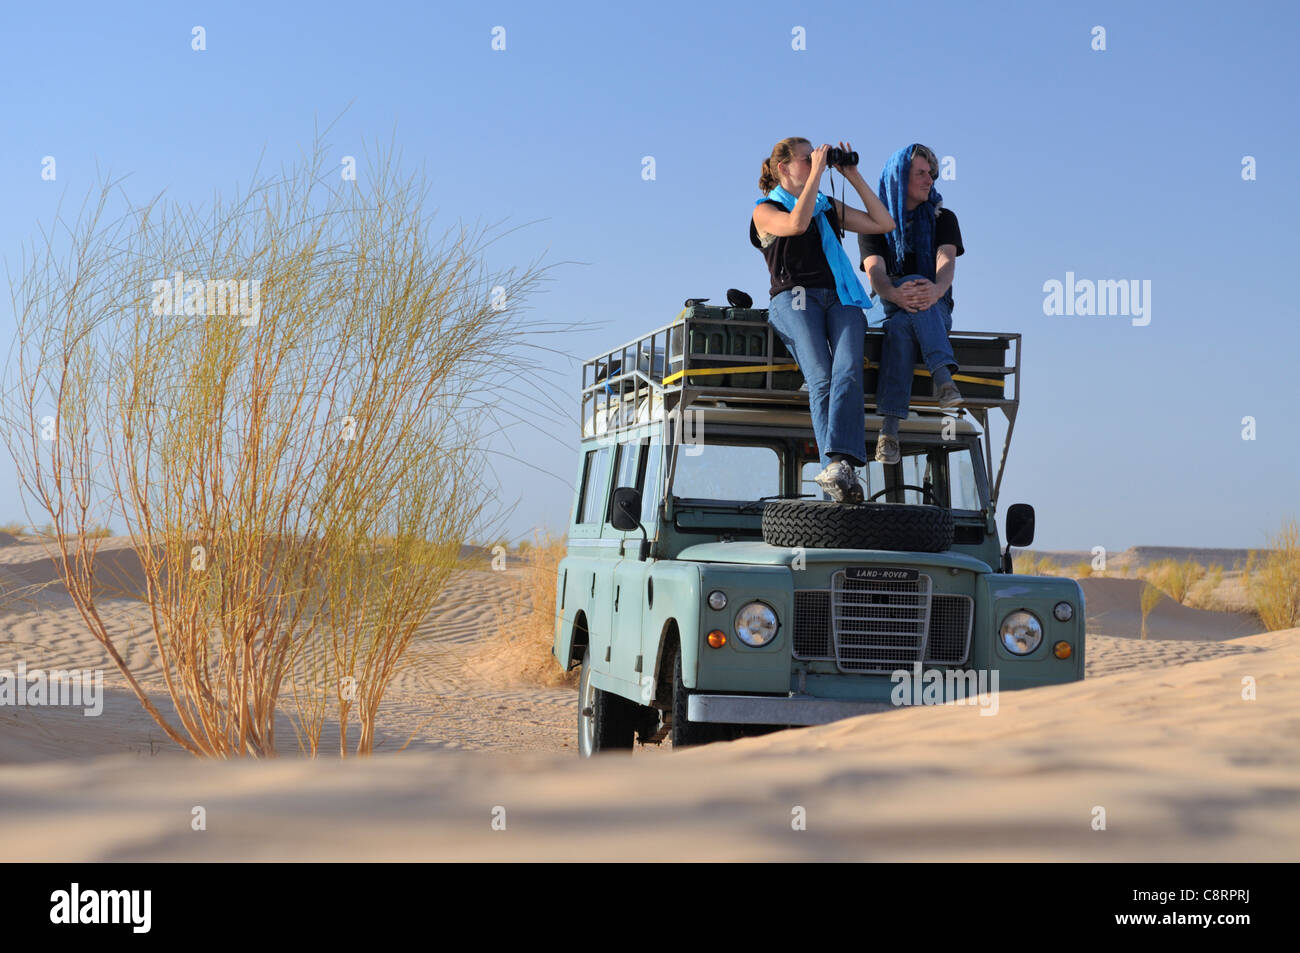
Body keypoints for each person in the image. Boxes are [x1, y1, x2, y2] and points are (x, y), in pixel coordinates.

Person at [750, 137, 896, 502]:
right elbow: (797, 224)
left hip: (842, 295)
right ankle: (838, 465)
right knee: (822, 376)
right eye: (807, 158)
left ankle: (839, 466)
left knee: (847, 371)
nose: (815, 162)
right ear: (783, 168)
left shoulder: (827, 205)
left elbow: (883, 222)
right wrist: (818, 173)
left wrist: (852, 174)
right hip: (796, 297)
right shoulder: (764, 209)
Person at [859, 143, 965, 465]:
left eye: (931, 173)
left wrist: (935, 290)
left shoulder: (943, 217)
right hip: (886, 304)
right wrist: (895, 292)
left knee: (904, 326)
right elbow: (875, 273)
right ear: (899, 176)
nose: (929, 179)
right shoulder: (875, 220)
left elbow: (945, 264)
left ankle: (889, 430)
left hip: (934, 304)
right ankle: (944, 380)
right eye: (920, 173)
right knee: (905, 288)